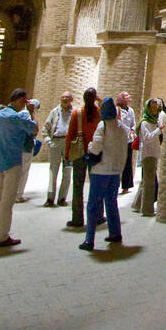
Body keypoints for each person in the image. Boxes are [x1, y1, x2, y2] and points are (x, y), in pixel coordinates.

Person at [0, 90, 39, 248]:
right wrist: (31, 113)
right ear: (21, 101)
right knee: (7, 200)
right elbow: (34, 130)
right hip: (12, 162)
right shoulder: (17, 117)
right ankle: (1, 236)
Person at [80, 97, 127, 251]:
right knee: (111, 203)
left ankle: (89, 239)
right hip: (114, 172)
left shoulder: (103, 126)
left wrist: (89, 147)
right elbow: (123, 151)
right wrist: (119, 168)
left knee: (93, 205)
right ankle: (115, 233)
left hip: (101, 171)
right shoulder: (121, 127)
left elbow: (96, 148)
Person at [64, 88, 101, 231]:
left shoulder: (77, 113)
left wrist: (67, 154)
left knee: (78, 186)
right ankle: (97, 216)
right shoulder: (99, 113)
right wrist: (100, 100)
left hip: (79, 153)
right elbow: (115, 115)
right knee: (96, 186)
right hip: (95, 153)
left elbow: (70, 135)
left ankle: (77, 218)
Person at [130, 98, 164, 216]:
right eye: (152, 108)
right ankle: (147, 209)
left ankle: (137, 204)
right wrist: (158, 131)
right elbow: (147, 138)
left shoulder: (155, 121)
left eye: (156, 108)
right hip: (148, 154)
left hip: (154, 153)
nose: (154, 110)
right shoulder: (144, 122)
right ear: (148, 108)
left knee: (147, 181)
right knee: (150, 184)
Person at [43, 92, 74, 207]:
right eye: (62, 97)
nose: (64, 99)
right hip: (56, 142)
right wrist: (48, 141)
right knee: (53, 171)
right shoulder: (54, 112)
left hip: (68, 144)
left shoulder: (75, 112)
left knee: (67, 171)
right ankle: (50, 198)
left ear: (71, 99)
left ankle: (62, 198)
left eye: (67, 97)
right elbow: (45, 127)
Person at [116, 92, 136, 194]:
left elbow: (133, 124)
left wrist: (132, 132)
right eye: (127, 96)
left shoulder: (131, 110)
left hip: (128, 140)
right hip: (119, 140)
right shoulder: (117, 110)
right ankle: (114, 184)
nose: (129, 97)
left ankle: (126, 186)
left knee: (127, 163)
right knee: (118, 162)